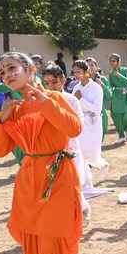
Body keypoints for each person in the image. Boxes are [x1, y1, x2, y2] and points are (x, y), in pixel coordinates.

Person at [0, 52, 83, 254]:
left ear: (30, 69)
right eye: (3, 71)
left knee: (52, 236)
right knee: (31, 237)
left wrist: (45, 103)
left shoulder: (54, 97)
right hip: (29, 175)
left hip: (57, 174)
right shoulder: (15, 108)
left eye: (12, 68)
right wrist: (3, 119)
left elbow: (74, 129)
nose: (7, 74)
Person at [42, 63, 93, 225]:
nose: (51, 86)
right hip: (49, 150)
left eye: (54, 82)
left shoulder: (71, 99)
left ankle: (82, 208)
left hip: (69, 149)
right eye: (47, 83)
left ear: (63, 80)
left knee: (72, 185)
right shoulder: (41, 99)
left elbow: (78, 125)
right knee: (54, 186)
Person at [72, 60, 110, 183]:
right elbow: (73, 106)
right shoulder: (76, 88)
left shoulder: (96, 88)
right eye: (74, 72)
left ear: (86, 71)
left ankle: (103, 165)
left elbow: (97, 109)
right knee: (81, 153)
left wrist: (81, 99)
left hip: (93, 123)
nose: (76, 75)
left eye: (79, 72)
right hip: (80, 122)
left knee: (92, 154)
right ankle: (86, 181)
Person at [108, 53, 127, 145]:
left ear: (118, 62)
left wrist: (119, 75)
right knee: (117, 116)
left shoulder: (125, 70)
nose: (112, 63)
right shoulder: (111, 73)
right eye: (110, 61)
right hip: (116, 95)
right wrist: (106, 79)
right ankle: (120, 135)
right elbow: (111, 86)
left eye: (114, 61)